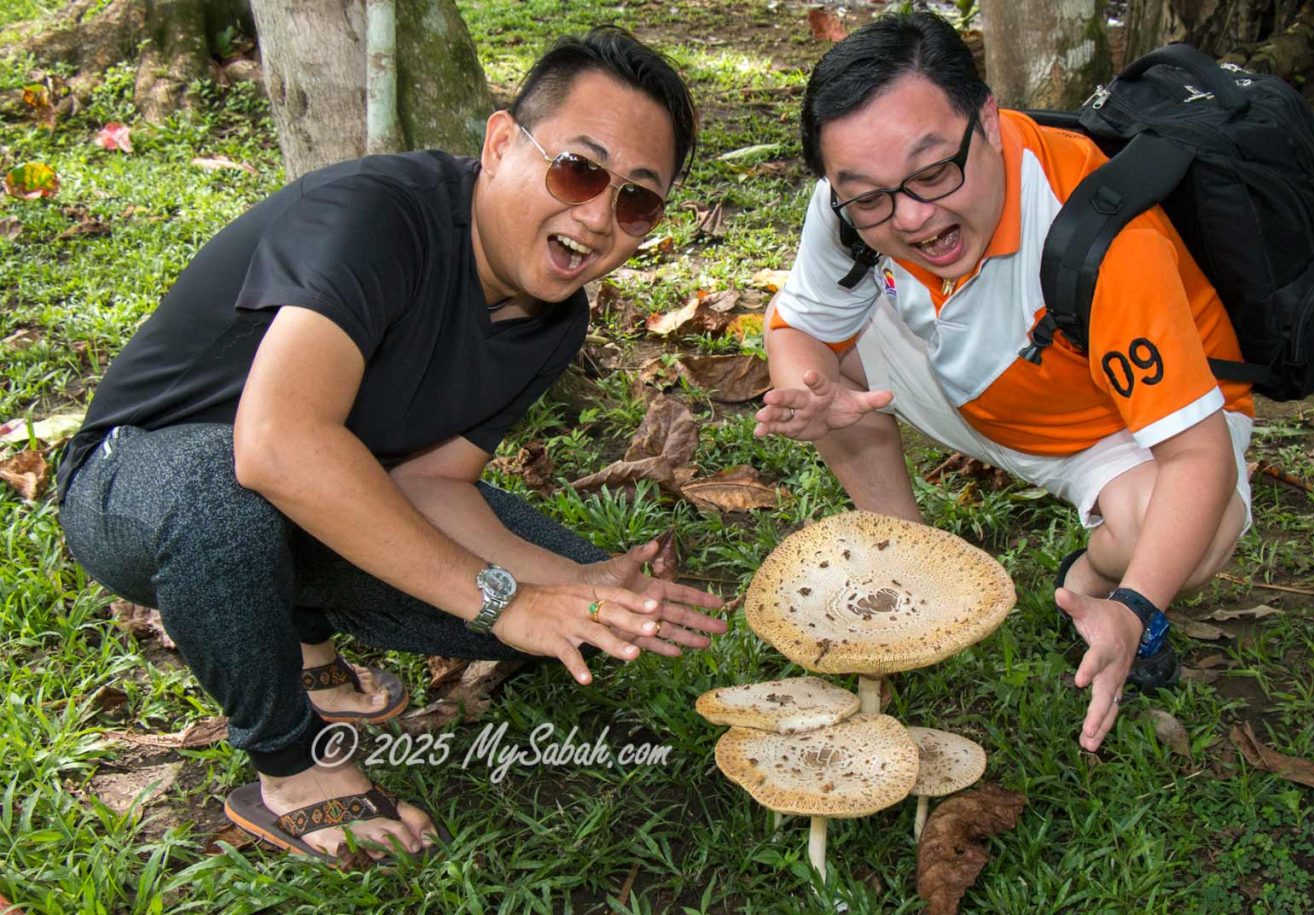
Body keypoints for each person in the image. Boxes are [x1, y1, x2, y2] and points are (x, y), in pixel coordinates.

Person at [56, 27, 726, 863]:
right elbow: (275, 444)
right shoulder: (378, 215)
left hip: (307, 500)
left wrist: (573, 581)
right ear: (498, 145)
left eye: (636, 201)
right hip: (140, 478)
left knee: (583, 626)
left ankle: (301, 639)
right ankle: (291, 765)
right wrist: (503, 598)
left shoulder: (556, 316)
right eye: (579, 170)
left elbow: (436, 482)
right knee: (220, 492)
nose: (596, 219)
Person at [755, 13, 1253, 753]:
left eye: (934, 172)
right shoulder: (854, 205)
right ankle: (915, 575)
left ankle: (1084, 582)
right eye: (871, 197)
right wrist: (811, 384)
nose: (915, 217)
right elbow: (796, 325)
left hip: (1110, 423)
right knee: (829, 370)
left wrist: (1135, 604)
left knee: (1200, 530)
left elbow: (1198, 457)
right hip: (966, 380)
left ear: (987, 118)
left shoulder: (1106, 235)